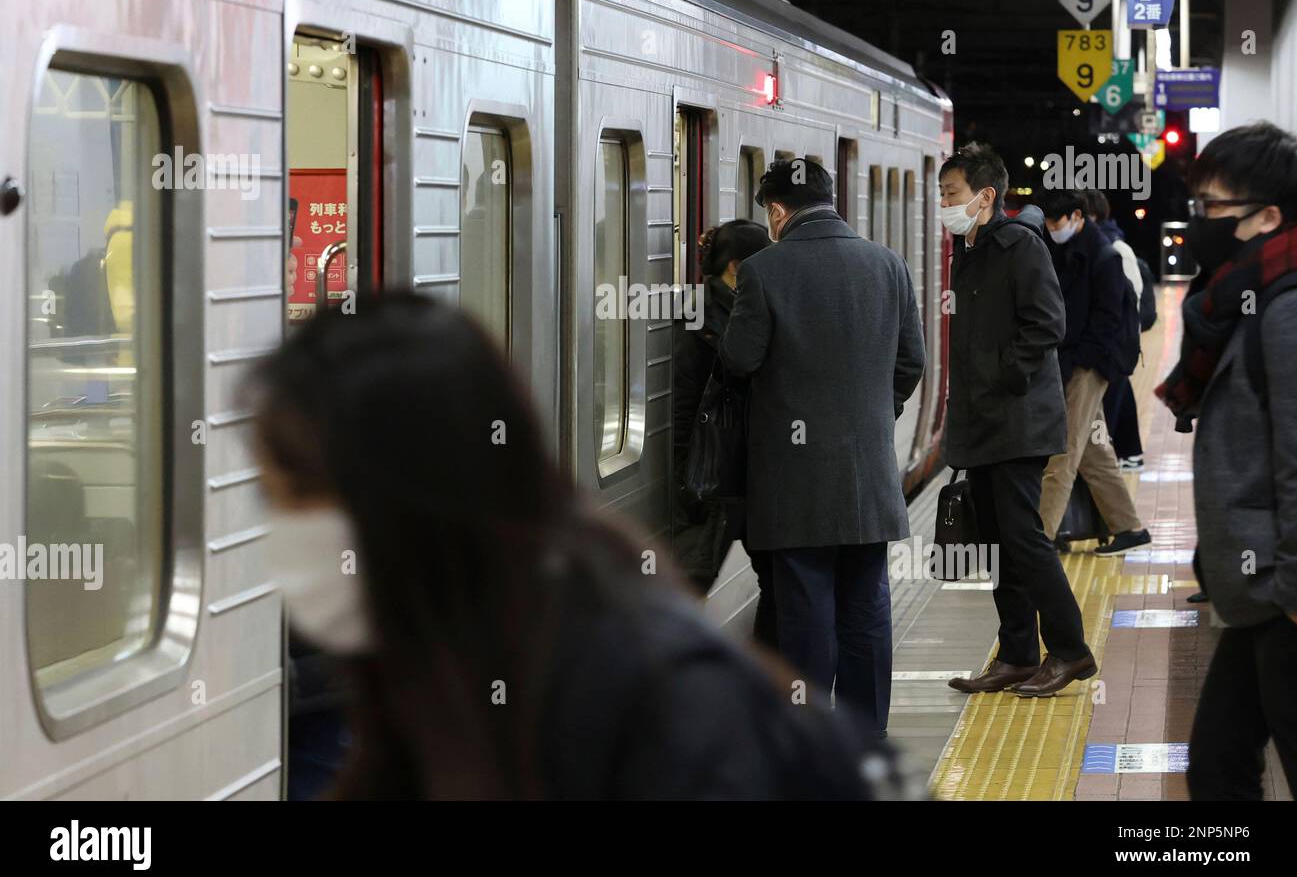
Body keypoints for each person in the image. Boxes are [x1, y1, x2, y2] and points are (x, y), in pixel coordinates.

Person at [251, 293, 913, 799]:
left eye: (299, 496)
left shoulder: (643, 688)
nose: (281, 528)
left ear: (408, 489)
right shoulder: (431, 658)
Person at [719, 158, 925, 737]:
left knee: (807, 618)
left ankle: (813, 745)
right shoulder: (889, 265)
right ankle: (865, 743)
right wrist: (873, 418)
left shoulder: (763, 271)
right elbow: (912, 360)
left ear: (777, 211)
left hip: (794, 483)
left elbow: (739, 360)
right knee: (866, 611)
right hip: (868, 476)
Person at [1155, 122, 1297, 800]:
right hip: (1259, 593)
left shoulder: (1287, 307)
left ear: (1268, 216)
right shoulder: (1249, 294)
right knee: (1217, 766)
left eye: (1213, 207)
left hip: (1284, 593)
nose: (1198, 221)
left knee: (1221, 768)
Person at [938, 144, 1097, 697]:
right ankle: (1017, 653)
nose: (945, 203)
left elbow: (1048, 324)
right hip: (983, 421)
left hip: (1017, 419)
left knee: (1024, 537)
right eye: (942, 194)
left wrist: (1003, 378)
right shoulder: (970, 248)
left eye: (952, 194)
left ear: (985, 196)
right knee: (996, 539)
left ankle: (1070, 651)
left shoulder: (1018, 246)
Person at [671, 219, 776, 648]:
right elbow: (685, 400)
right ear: (737, 266)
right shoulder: (703, 317)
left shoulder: (743, 306)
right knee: (693, 580)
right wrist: (686, 477)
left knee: (778, 581)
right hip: (717, 473)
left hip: (752, 470)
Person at [1039, 189, 1152, 555]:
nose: (1052, 229)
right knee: (1093, 450)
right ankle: (1130, 528)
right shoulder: (1065, 248)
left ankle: (1040, 541)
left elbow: (1107, 320)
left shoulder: (1103, 256)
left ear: (1077, 216)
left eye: (1057, 222)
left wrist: (1080, 362)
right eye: (1048, 223)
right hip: (1072, 360)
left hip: (1089, 364)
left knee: (1063, 452)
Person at [1083, 190, 1146, 471]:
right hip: (1111, 343)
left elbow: (1133, 297)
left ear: (1093, 215)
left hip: (1117, 341)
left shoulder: (1116, 249)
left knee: (1110, 399)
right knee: (1121, 393)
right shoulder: (1095, 245)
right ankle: (1130, 452)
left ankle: (1117, 455)